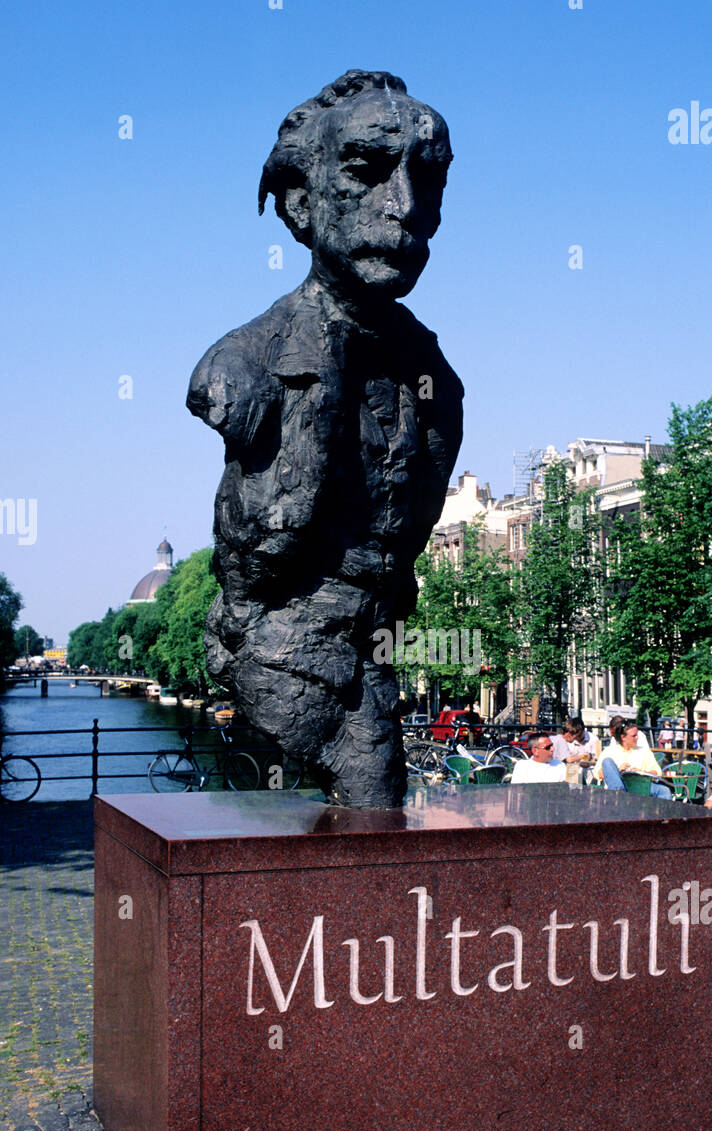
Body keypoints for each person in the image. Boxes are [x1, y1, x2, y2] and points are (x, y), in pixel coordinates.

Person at [187, 70, 462, 807]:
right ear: (302, 203)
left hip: (377, 656)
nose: (406, 208)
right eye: (367, 172)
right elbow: (261, 551)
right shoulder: (240, 369)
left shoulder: (440, 382)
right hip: (284, 659)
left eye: (427, 179)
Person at [593, 720, 673, 799]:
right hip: (618, 785)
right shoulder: (609, 751)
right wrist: (616, 771)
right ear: (623, 737)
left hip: (640, 787)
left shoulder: (644, 751)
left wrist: (642, 772)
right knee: (607, 761)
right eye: (634, 736)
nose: (637, 738)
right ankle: (620, 795)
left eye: (637, 735)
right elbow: (597, 773)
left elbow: (657, 771)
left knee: (664, 790)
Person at [552, 718, 601, 783]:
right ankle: (573, 790)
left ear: (583, 730)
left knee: (590, 772)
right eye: (574, 736)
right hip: (571, 768)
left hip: (589, 769)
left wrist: (588, 761)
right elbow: (568, 759)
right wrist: (584, 757)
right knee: (572, 769)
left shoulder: (594, 739)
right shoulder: (568, 740)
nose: (576, 738)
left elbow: (598, 758)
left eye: (579, 735)